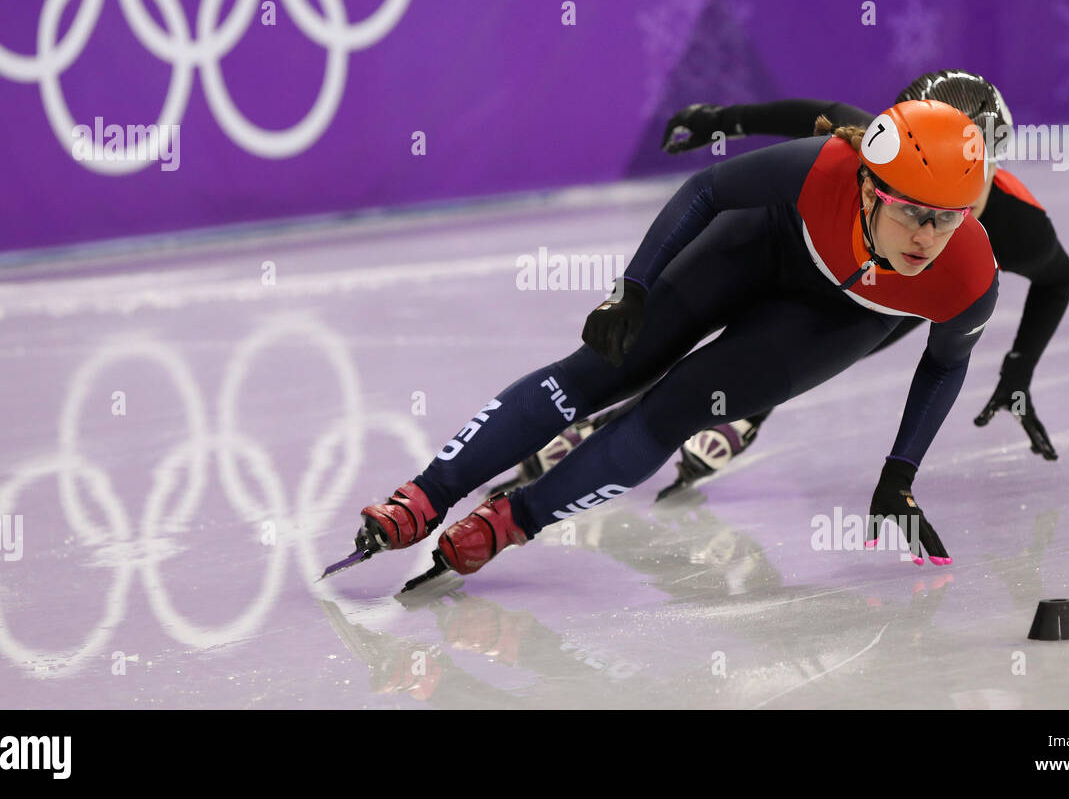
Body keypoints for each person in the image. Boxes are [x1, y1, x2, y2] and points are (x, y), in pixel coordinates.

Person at [347, 99, 998, 585]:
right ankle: (428, 493)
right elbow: (707, 190)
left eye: (949, 218)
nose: (927, 237)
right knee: (600, 368)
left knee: (677, 406)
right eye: (912, 211)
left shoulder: (969, 273)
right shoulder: (824, 168)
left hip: (837, 320)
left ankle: (516, 520)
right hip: (761, 245)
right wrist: (632, 289)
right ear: (866, 184)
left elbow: (947, 362)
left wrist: (899, 477)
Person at [511, 71, 1069, 501]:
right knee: (719, 302)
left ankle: (743, 409)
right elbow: (819, 117)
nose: (934, 189)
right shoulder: (876, 159)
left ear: (992, 170)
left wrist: (1018, 368)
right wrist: (722, 120)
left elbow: (1057, 277)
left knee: (883, 309)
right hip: (797, 247)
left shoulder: (1013, 226)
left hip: (873, 303)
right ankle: (631, 409)